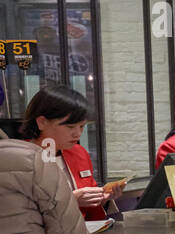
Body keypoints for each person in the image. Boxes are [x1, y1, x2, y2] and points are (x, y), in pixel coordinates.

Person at [19, 85, 123, 220]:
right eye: (70, 127)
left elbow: (91, 212)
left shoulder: (79, 153)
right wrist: (70, 199)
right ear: (42, 122)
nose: (78, 134)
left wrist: (103, 199)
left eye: (82, 126)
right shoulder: (19, 158)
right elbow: (17, 211)